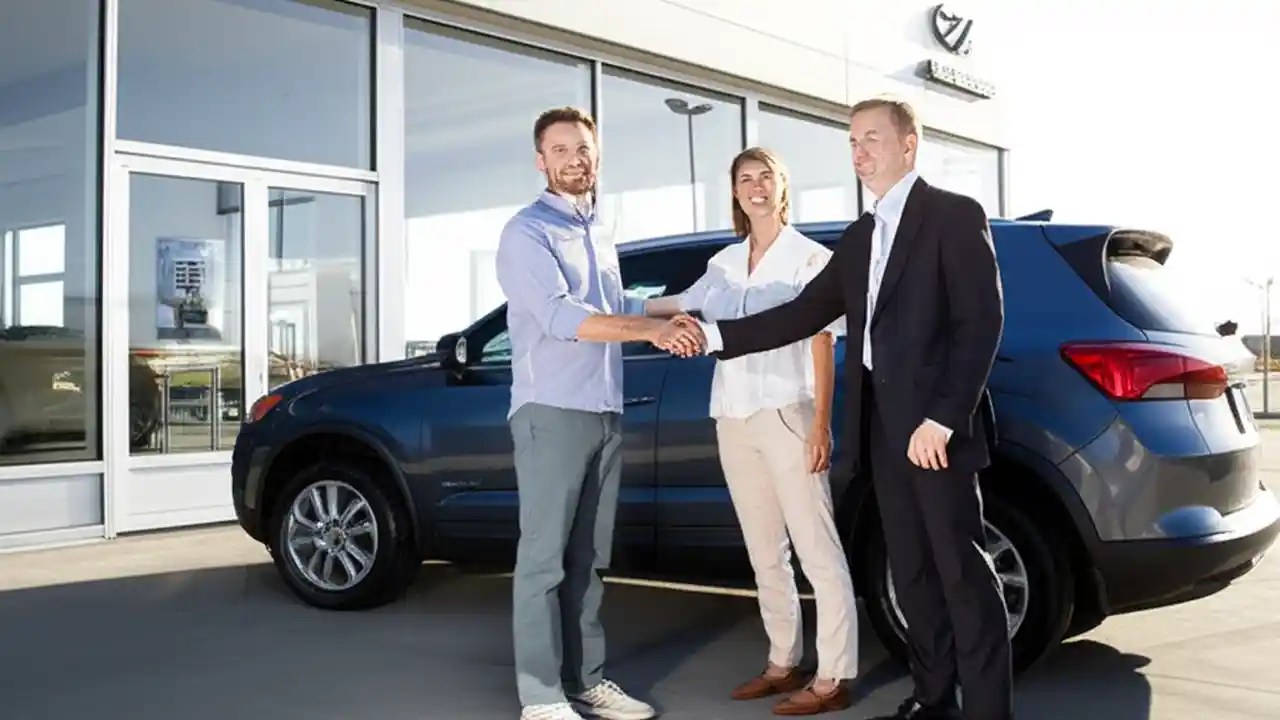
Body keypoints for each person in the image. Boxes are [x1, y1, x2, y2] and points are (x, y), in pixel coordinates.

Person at [677, 98, 1012, 720]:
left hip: (934, 430)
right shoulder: (859, 238)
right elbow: (801, 316)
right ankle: (934, 697)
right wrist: (715, 337)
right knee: (909, 573)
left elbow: (981, 321)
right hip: (881, 431)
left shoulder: (952, 215)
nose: (860, 153)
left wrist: (942, 418)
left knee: (961, 573)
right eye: (853, 142)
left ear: (908, 146)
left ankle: (989, 711)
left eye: (872, 139)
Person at [494, 106, 699, 720]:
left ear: (597, 154)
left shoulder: (597, 231)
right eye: (560, 150)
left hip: (607, 411)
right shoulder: (525, 233)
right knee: (544, 559)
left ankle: (587, 680)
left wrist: (684, 305)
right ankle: (541, 695)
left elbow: (618, 302)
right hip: (551, 411)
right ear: (540, 160)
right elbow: (560, 316)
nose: (574, 159)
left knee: (589, 559)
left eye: (583, 148)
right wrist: (649, 332)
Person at [643, 147, 859, 716]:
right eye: (746, 179)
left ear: (783, 187)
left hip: (788, 413)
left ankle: (834, 676)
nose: (756, 186)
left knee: (817, 549)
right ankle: (782, 661)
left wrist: (820, 425)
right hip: (733, 419)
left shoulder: (811, 260)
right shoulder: (723, 264)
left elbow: (822, 343)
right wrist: (607, 304)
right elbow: (676, 307)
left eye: (767, 177)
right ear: (735, 191)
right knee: (765, 550)